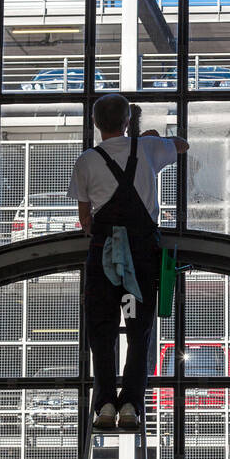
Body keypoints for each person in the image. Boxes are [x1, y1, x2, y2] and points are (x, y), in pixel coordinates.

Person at [67, 94, 188, 432]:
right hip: (142, 255)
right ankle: (132, 406)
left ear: (95, 124)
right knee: (139, 332)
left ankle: (105, 403)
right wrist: (151, 139)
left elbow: (85, 220)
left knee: (101, 330)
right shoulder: (148, 150)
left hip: (104, 255)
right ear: (125, 122)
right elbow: (183, 145)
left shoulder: (87, 160)